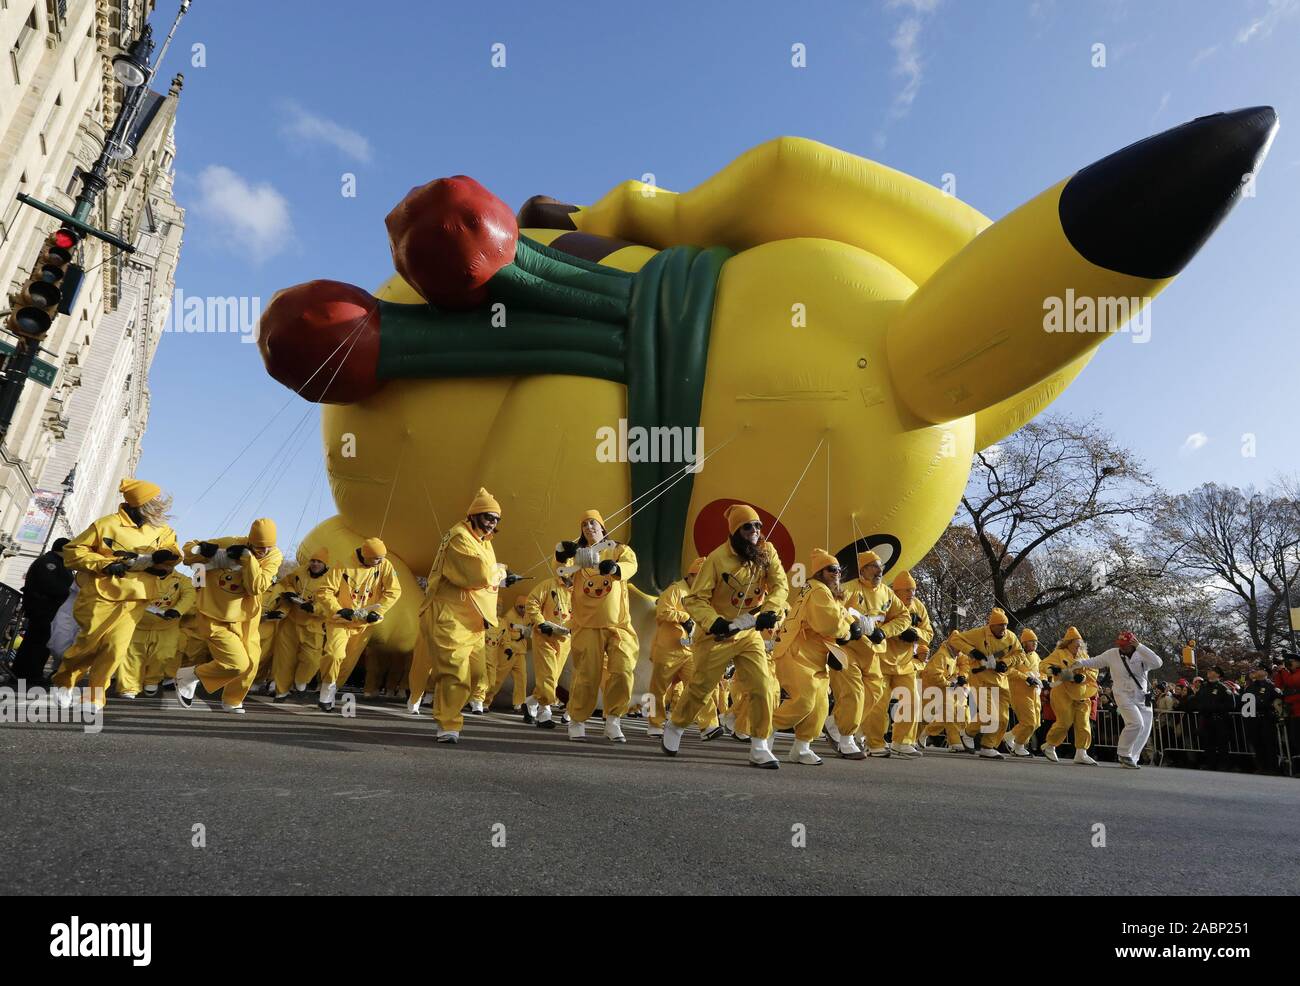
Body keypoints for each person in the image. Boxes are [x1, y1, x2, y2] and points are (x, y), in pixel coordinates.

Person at [661, 503, 789, 768]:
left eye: (757, 526)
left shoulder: (767, 551)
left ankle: (759, 746)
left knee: (762, 686)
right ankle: (676, 726)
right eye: (747, 527)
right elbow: (695, 599)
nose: (754, 531)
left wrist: (769, 610)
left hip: (749, 634)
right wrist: (714, 622)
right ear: (734, 531)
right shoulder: (716, 559)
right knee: (700, 688)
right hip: (717, 636)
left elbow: (780, 585)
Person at [52, 479, 181, 711]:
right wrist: (105, 563)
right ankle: (64, 681)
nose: (159, 505)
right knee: (87, 645)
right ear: (137, 505)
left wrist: (165, 557)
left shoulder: (162, 530)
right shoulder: (107, 524)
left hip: (137, 597)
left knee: (115, 649)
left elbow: (174, 552)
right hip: (101, 595)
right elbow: (73, 551)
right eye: (154, 501)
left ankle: (94, 696)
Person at [408, 488, 519, 743]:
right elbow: (477, 574)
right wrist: (502, 574)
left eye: (496, 519)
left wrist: (502, 572)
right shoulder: (458, 536)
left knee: (478, 675)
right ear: (474, 515)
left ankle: (434, 701)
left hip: (475, 621)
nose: (492, 522)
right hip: (450, 615)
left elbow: (487, 571)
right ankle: (448, 725)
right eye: (488, 517)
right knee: (455, 673)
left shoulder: (484, 542)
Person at [175, 518, 283, 713]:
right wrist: (203, 549)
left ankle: (232, 700)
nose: (263, 552)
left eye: (268, 547)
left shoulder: (273, 556)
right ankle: (189, 676)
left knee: (250, 663)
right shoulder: (229, 542)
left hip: (247, 619)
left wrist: (248, 558)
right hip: (213, 614)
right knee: (236, 663)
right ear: (250, 540)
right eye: (259, 547)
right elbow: (188, 555)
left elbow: (256, 587)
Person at [554, 509, 639, 742]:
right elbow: (561, 573)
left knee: (622, 672)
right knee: (586, 676)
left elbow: (631, 565)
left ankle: (613, 720)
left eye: (593, 523)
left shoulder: (620, 549)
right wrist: (561, 554)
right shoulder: (578, 555)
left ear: (602, 527)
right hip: (587, 625)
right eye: (584, 525)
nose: (589, 527)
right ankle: (578, 720)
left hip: (618, 625)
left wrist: (615, 568)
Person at [769, 549, 856, 765]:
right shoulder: (818, 591)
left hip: (814, 656)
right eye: (831, 569)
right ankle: (764, 733)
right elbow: (830, 623)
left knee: (820, 705)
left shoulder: (827, 592)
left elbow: (842, 616)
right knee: (805, 700)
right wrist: (848, 632)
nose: (837, 573)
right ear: (819, 572)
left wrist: (851, 626)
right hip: (796, 653)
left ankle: (801, 748)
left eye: (838, 569)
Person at [825, 550, 909, 758]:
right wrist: (849, 626)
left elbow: (904, 617)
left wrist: (884, 632)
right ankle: (846, 738)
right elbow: (832, 610)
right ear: (862, 570)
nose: (879, 570)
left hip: (872, 653)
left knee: (875, 693)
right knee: (854, 693)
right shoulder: (850, 588)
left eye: (880, 566)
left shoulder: (887, 593)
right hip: (849, 649)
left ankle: (835, 723)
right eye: (873, 566)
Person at [646, 557, 720, 740]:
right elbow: (662, 611)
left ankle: (709, 725)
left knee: (700, 686)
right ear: (691, 575)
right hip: (667, 649)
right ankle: (654, 723)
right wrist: (684, 617)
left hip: (690, 651)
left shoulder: (704, 596)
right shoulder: (675, 590)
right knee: (658, 689)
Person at [324, 538, 403, 703]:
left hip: (364, 624)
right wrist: (338, 609)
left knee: (348, 661)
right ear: (364, 555)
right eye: (376, 558)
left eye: (382, 558)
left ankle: (332, 690)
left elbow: (394, 591)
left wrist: (377, 611)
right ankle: (326, 688)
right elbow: (325, 591)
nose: (380, 561)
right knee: (334, 654)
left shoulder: (385, 565)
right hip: (340, 620)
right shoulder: (343, 564)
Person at [1070, 631, 1163, 769]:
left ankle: (1132, 758)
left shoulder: (1142, 654)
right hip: (1123, 694)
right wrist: (1079, 663)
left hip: (1142, 696)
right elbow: (1096, 661)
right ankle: (1124, 753)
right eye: (1120, 644)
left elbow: (1158, 662)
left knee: (1144, 729)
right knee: (1136, 723)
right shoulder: (1112, 654)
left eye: (1125, 645)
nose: (1122, 647)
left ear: (1132, 643)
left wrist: (1140, 646)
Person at [871, 569, 933, 758]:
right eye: (906, 590)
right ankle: (874, 743)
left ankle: (902, 742)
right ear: (896, 591)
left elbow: (929, 634)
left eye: (913, 590)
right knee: (878, 705)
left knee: (912, 700)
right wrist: (897, 631)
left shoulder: (919, 607)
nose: (911, 594)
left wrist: (915, 633)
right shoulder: (885, 601)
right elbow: (873, 626)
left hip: (905, 664)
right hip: (882, 660)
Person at [951, 607, 1023, 759]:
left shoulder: (1011, 637)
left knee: (1003, 719)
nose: (1003, 628)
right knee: (988, 714)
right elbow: (955, 639)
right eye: (1000, 625)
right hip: (981, 679)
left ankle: (988, 746)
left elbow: (1019, 654)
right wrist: (972, 651)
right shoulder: (979, 633)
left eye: (1005, 625)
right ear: (992, 625)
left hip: (1001, 681)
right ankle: (968, 733)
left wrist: (1006, 662)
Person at [122, 569, 196, 698]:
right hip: (138, 625)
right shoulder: (139, 576)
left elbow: (189, 596)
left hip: (167, 627)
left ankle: (152, 680)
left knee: (162, 655)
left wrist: (178, 610)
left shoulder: (183, 580)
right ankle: (129, 686)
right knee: (132, 654)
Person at [11, 538, 73, 685]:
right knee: (37, 643)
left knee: (40, 642)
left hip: (49, 610)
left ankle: (27, 674)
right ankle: (28, 675)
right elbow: (50, 585)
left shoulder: (60, 562)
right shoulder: (49, 562)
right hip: (43, 609)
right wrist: (71, 593)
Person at [523, 563, 573, 728]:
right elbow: (532, 602)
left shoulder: (581, 590)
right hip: (544, 637)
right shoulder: (548, 584)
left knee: (552, 678)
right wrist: (540, 622)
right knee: (548, 676)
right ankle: (544, 713)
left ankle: (531, 701)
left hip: (564, 640)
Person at [1040, 626, 1098, 765]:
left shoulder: (1084, 656)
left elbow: (1094, 671)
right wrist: (1052, 669)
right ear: (1068, 643)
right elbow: (1042, 665)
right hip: (1062, 692)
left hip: (1082, 693)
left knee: (1084, 723)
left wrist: (1083, 677)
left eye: (1080, 645)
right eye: (1075, 645)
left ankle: (1081, 753)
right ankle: (1050, 745)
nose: (1078, 648)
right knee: (1064, 722)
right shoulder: (1059, 653)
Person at [919, 631, 971, 751]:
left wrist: (962, 676)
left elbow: (965, 664)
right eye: (958, 647)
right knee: (924, 717)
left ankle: (954, 742)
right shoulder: (942, 655)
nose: (960, 651)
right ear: (952, 645)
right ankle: (911, 737)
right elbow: (934, 675)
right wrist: (951, 684)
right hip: (933, 689)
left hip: (945, 688)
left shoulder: (955, 652)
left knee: (954, 713)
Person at [1005, 627, 1043, 757]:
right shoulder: (1016, 654)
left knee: (1036, 723)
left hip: (1035, 692)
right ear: (1024, 643)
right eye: (1032, 641)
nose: (1035, 644)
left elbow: (1041, 671)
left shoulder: (1036, 657)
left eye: (1036, 642)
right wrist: (1026, 677)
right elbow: (1009, 671)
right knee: (1029, 722)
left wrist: (1043, 680)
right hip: (1019, 692)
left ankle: (1010, 736)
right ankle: (1019, 746)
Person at [1241, 663, 1283, 774]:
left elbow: (1278, 702)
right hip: (1253, 719)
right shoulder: (1250, 687)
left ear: (1265, 672)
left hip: (1267, 719)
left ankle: (1273, 767)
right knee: (1257, 742)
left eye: (1259, 669)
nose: (1256, 671)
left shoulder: (1271, 686)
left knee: (1269, 743)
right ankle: (1262, 766)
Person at [1192, 666, 1236, 771]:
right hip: (1206, 719)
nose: (1209, 672)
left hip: (1219, 719)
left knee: (1222, 744)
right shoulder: (1204, 687)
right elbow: (1197, 699)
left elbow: (1231, 705)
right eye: (1209, 670)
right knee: (1208, 743)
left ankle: (1223, 765)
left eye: (1212, 671)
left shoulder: (1222, 688)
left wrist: (1214, 708)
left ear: (1218, 674)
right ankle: (1210, 764)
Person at [1275, 653, 1300, 772]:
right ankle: (1296, 768)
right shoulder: (1289, 674)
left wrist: (1284, 671)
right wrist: (1280, 671)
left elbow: (1291, 682)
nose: (1289, 663)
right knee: (1294, 740)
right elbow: (1279, 686)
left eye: (1291, 661)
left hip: (1298, 712)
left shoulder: (1297, 674)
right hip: (1293, 713)